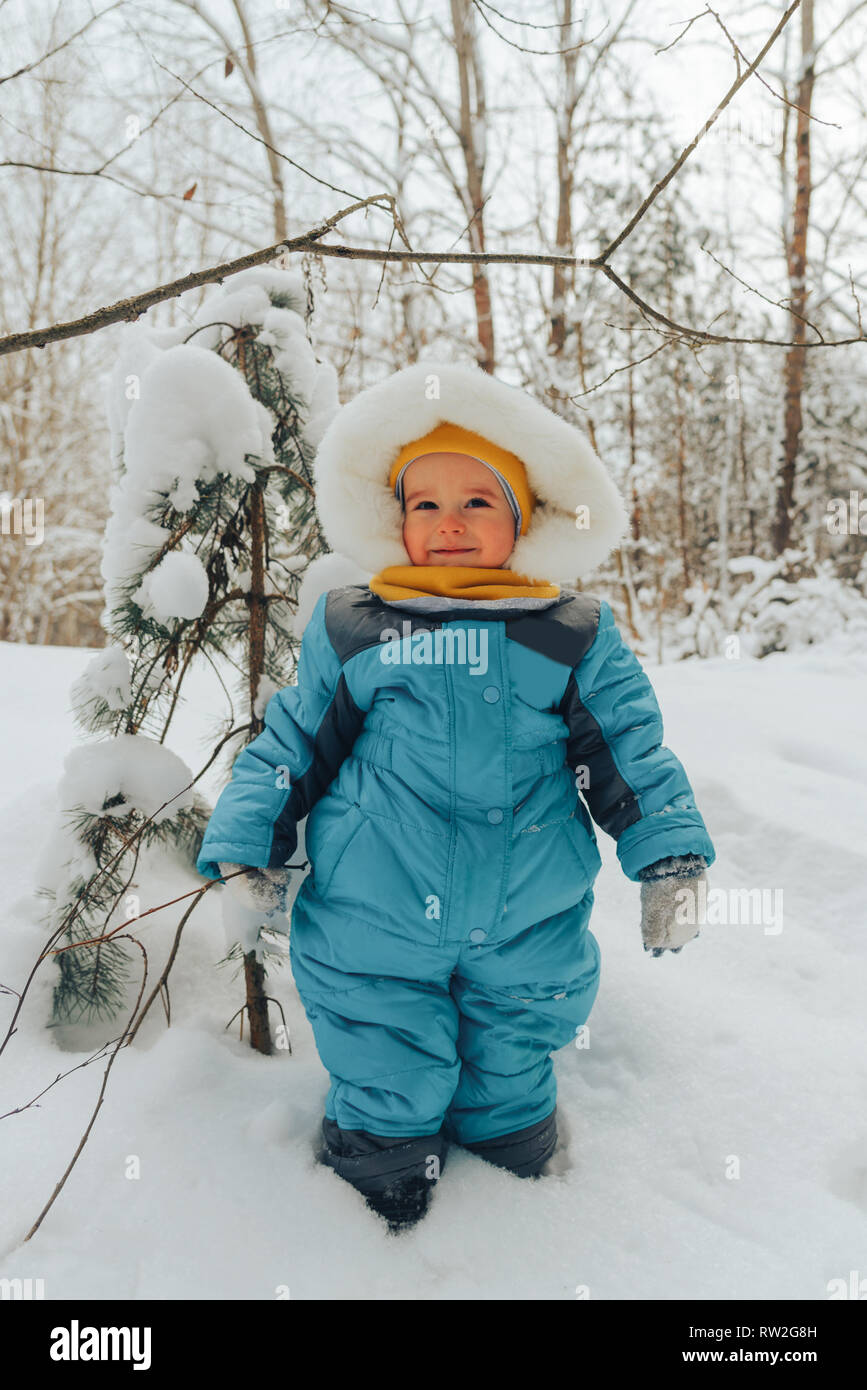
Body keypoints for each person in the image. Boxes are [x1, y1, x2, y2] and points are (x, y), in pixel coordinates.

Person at [196, 360, 715, 1234]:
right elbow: (292, 743)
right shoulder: (354, 626)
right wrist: (253, 849)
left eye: (477, 502)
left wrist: (667, 856)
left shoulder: (572, 632)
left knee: (515, 1043)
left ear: (522, 518)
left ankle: (510, 1157)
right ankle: (380, 1174)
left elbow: (626, 748)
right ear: (396, 521)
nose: (448, 523)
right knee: (381, 1044)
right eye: (425, 503)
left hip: (530, 911)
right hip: (374, 908)